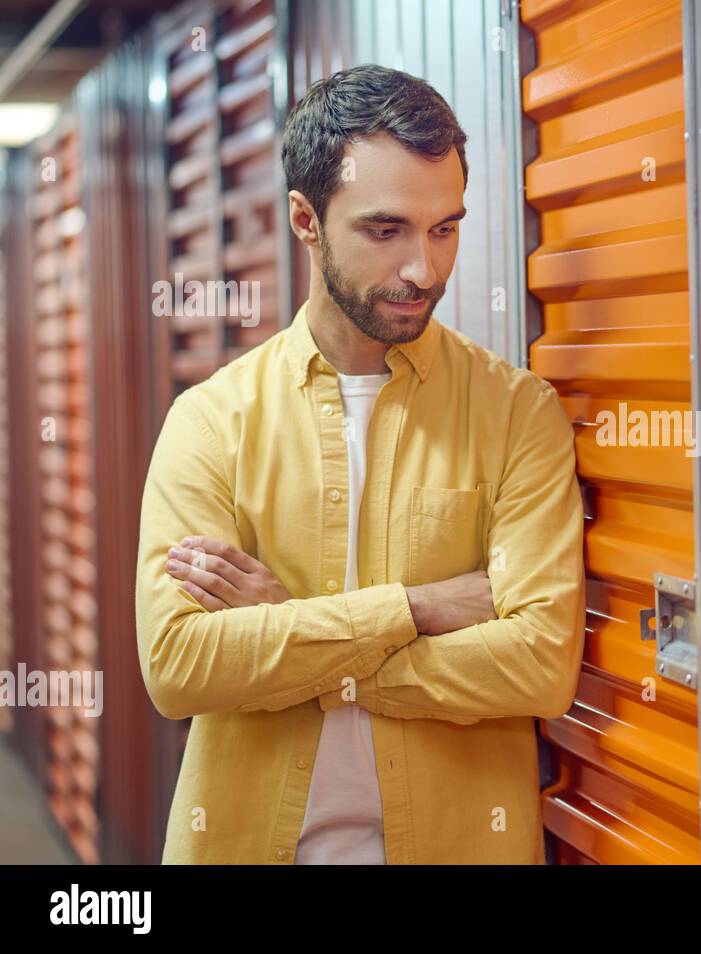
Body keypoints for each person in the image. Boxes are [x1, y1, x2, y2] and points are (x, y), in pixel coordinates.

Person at [134, 64, 585, 864]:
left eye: (444, 228)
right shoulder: (211, 422)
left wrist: (290, 627)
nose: (424, 269)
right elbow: (180, 666)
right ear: (306, 220)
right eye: (387, 231)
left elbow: (540, 665)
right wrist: (409, 610)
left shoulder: (517, 414)